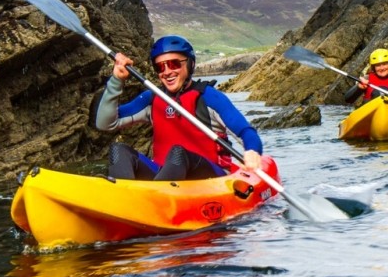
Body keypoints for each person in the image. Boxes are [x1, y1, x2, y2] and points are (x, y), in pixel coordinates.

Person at [93, 35, 263, 181]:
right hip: (164, 176)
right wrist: (116, 80)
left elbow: (246, 132)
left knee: (178, 154)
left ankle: (156, 198)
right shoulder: (152, 98)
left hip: (211, 177)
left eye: (174, 64)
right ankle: (125, 197)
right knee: (119, 150)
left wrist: (252, 151)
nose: (167, 71)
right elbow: (105, 123)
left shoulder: (210, 97)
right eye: (160, 67)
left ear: (190, 64)